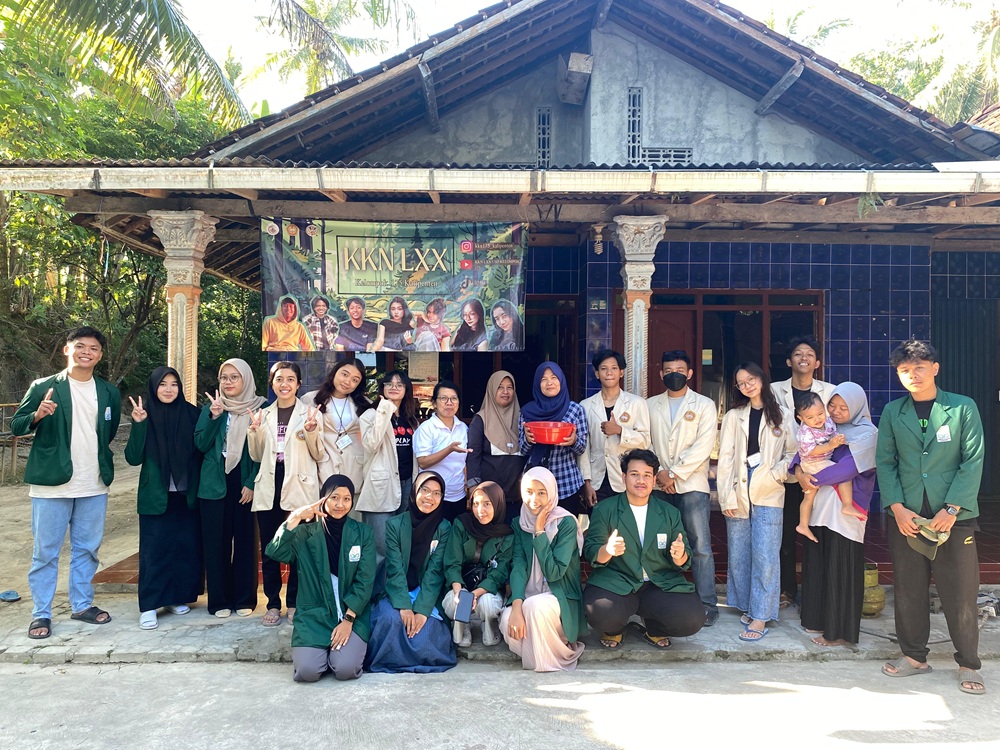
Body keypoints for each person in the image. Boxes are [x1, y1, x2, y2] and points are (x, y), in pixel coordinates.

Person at [876, 340, 986, 695]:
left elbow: (972, 460)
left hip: (953, 515)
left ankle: (968, 662)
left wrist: (953, 507)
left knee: (961, 592)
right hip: (907, 515)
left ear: (935, 368)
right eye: (905, 370)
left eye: (919, 367)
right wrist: (896, 507)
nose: (913, 375)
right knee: (908, 589)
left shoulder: (962, 408)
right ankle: (914, 656)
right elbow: (886, 462)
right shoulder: (894, 411)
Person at [13, 327, 121, 640]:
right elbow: (16, 426)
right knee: (45, 551)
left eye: (94, 348)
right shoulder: (43, 386)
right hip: (51, 484)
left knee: (87, 549)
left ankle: (82, 605)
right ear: (67, 350)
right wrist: (37, 414)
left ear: (100, 355)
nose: (86, 352)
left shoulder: (108, 391)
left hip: (93, 482)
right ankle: (41, 613)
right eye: (80, 346)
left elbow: (108, 432)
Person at [583, 449, 704, 649]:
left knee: (691, 619)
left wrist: (680, 555)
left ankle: (654, 628)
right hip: (617, 582)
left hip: (658, 584)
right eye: (634, 474)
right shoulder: (605, 509)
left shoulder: (669, 512)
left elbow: (685, 555)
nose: (641, 480)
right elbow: (591, 550)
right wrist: (607, 550)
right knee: (599, 612)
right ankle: (615, 629)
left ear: (654, 478)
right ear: (623, 477)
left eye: (647, 475)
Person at [265, 475, 377, 682]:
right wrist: (295, 518)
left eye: (346, 499)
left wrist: (349, 619)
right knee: (307, 672)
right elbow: (275, 552)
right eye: (334, 497)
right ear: (323, 499)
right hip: (313, 615)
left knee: (345, 670)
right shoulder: (304, 533)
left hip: (350, 613)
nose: (340, 504)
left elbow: (365, 580)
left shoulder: (362, 533)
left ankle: (337, 656)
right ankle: (321, 656)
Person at [717, 362, 796, 643]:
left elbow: (794, 454)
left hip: (769, 487)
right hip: (738, 484)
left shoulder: (783, 415)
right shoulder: (734, 416)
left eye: (751, 379)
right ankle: (749, 605)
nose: (748, 385)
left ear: (762, 379)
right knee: (739, 552)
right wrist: (725, 495)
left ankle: (761, 614)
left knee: (765, 553)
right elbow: (725, 458)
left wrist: (776, 474)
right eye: (741, 382)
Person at [794, 382, 878, 647]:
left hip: (845, 512)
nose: (837, 411)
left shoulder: (867, 434)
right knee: (819, 565)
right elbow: (801, 454)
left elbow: (846, 470)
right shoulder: (825, 426)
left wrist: (810, 479)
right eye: (833, 405)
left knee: (841, 568)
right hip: (820, 508)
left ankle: (839, 633)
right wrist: (798, 472)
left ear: (856, 407)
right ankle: (816, 620)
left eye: (844, 407)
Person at [124, 367, 203, 630]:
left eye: (174, 384)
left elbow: (201, 448)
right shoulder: (145, 415)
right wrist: (138, 425)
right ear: (153, 387)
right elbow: (133, 457)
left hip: (185, 495)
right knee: (154, 551)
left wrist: (212, 419)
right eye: (163, 384)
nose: (168, 389)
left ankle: (174, 597)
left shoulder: (192, 413)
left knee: (182, 548)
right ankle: (149, 605)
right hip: (155, 496)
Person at [247, 361, 325, 627]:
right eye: (279, 379)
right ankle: (271, 603)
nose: (285, 384)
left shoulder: (310, 414)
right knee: (270, 547)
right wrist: (254, 432)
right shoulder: (263, 414)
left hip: (299, 484)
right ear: (272, 384)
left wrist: (312, 431)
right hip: (270, 482)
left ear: (299, 384)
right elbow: (256, 455)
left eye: (290, 379)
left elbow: (318, 454)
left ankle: (293, 602)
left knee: (299, 547)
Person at [647, 349, 720, 626]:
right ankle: (666, 597)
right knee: (662, 543)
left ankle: (707, 603)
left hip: (691, 485)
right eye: (668, 370)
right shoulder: (650, 404)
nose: (673, 374)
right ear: (660, 374)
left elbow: (703, 446)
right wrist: (659, 474)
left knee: (699, 545)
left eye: (679, 370)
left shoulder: (704, 405)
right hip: (658, 485)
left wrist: (673, 474)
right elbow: (646, 440)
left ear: (689, 373)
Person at [365, 471, 456, 673]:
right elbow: (394, 569)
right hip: (398, 591)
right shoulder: (395, 525)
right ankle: (390, 661)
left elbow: (435, 573)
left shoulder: (444, 528)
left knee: (427, 628)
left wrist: (422, 610)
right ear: (415, 492)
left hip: (426, 592)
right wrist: (405, 607)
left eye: (436, 493)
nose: (429, 497)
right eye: (425, 490)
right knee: (390, 620)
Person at [195, 359, 264, 618]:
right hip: (214, 483)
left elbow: (265, 451)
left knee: (246, 541)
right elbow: (200, 444)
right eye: (224, 377)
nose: (228, 382)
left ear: (245, 379)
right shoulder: (211, 408)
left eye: (234, 377)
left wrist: (251, 482)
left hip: (244, 480)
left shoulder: (260, 408)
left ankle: (245, 598)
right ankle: (219, 600)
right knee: (216, 543)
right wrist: (214, 417)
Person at [770, 335, 835, 609]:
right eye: (798, 353)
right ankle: (786, 590)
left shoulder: (830, 391)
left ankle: (814, 590)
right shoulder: (774, 390)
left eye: (809, 354)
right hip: (788, 471)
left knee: (817, 530)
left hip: (820, 473)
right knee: (785, 532)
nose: (804, 357)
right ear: (789, 361)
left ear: (817, 362)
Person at [500, 467, 585, 672]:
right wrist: (517, 607)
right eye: (529, 492)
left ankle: (549, 659)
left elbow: (555, 572)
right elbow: (519, 566)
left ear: (552, 492)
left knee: (535, 607)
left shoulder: (565, 523)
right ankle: (543, 650)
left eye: (541, 492)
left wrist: (539, 532)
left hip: (560, 598)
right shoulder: (519, 522)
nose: (534, 499)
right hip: (530, 598)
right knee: (505, 620)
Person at [441, 481, 513, 647]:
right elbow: (452, 563)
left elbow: (499, 574)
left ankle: (489, 625)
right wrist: (461, 593)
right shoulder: (462, 524)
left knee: (487, 603)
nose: (480, 511)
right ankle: (463, 624)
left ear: (498, 503)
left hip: (487, 589)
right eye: (476, 504)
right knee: (457, 601)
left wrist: (475, 595)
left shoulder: (506, 534)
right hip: (462, 584)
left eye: (487, 504)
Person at [358, 370, 419, 560]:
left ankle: (395, 588)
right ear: (382, 388)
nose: (394, 388)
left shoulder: (411, 419)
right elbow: (371, 444)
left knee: (399, 543)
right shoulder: (370, 415)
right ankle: (376, 590)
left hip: (407, 483)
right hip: (381, 485)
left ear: (406, 390)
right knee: (380, 547)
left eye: (399, 385)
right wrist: (384, 410)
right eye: (389, 384)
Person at [579, 349, 650, 507]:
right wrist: (587, 483)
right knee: (600, 527)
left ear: (621, 372)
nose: (609, 373)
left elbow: (645, 442)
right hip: (598, 481)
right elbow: (584, 449)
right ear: (597, 374)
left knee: (626, 528)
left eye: (614, 368)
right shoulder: (585, 406)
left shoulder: (637, 404)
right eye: (604, 369)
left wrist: (620, 431)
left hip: (626, 478)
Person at [793, 391, 864, 543]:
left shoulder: (828, 422)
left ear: (824, 409)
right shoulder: (805, 431)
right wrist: (830, 445)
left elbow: (833, 434)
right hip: (813, 462)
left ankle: (803, 525)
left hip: (822, 459)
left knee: (809, 495)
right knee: (844, 476)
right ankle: (847, 504)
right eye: (810, 418)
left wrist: (838, 439)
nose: (817, 419)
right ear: (801, 419)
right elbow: (810, 451)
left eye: (819, 414)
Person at [519, 362, 589, 515]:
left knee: (565, 531)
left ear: (561, 381)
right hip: (535, 485)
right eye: (543, 379)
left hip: (566, 482)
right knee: (536, 530)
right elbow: (523, 450)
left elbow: (582, 447)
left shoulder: (576, 410)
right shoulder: (527, 411)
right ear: (538, 384)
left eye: (554, 377)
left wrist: (574, 440)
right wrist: (528, 439)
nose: (549, 382)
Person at [466, 370, 527, 523]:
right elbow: (473, 456)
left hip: (517, 497)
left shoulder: (523, 419)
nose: (505, 392)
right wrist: (473, 489)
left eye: (510, 387)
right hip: (489, 499)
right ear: (492, 390)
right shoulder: (480, 420)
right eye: (500, 387)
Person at [304, 360, 372, 492]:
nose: (347, 381)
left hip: (354, 468)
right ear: (334, 373)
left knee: (350, 509)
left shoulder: (365, 405)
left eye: (355, 380)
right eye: (344, 374)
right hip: (323, 467)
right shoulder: (310, 399)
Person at [413, 381, 470, 522]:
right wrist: (449, 449)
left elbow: (465, 461)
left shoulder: (463, 428)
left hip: (459, 495)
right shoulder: (427, 428)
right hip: (433, 497)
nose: (449, 403)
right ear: (434, 403)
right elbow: (423, 462)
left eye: (453, 398)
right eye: (443, 398)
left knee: (455, 538)